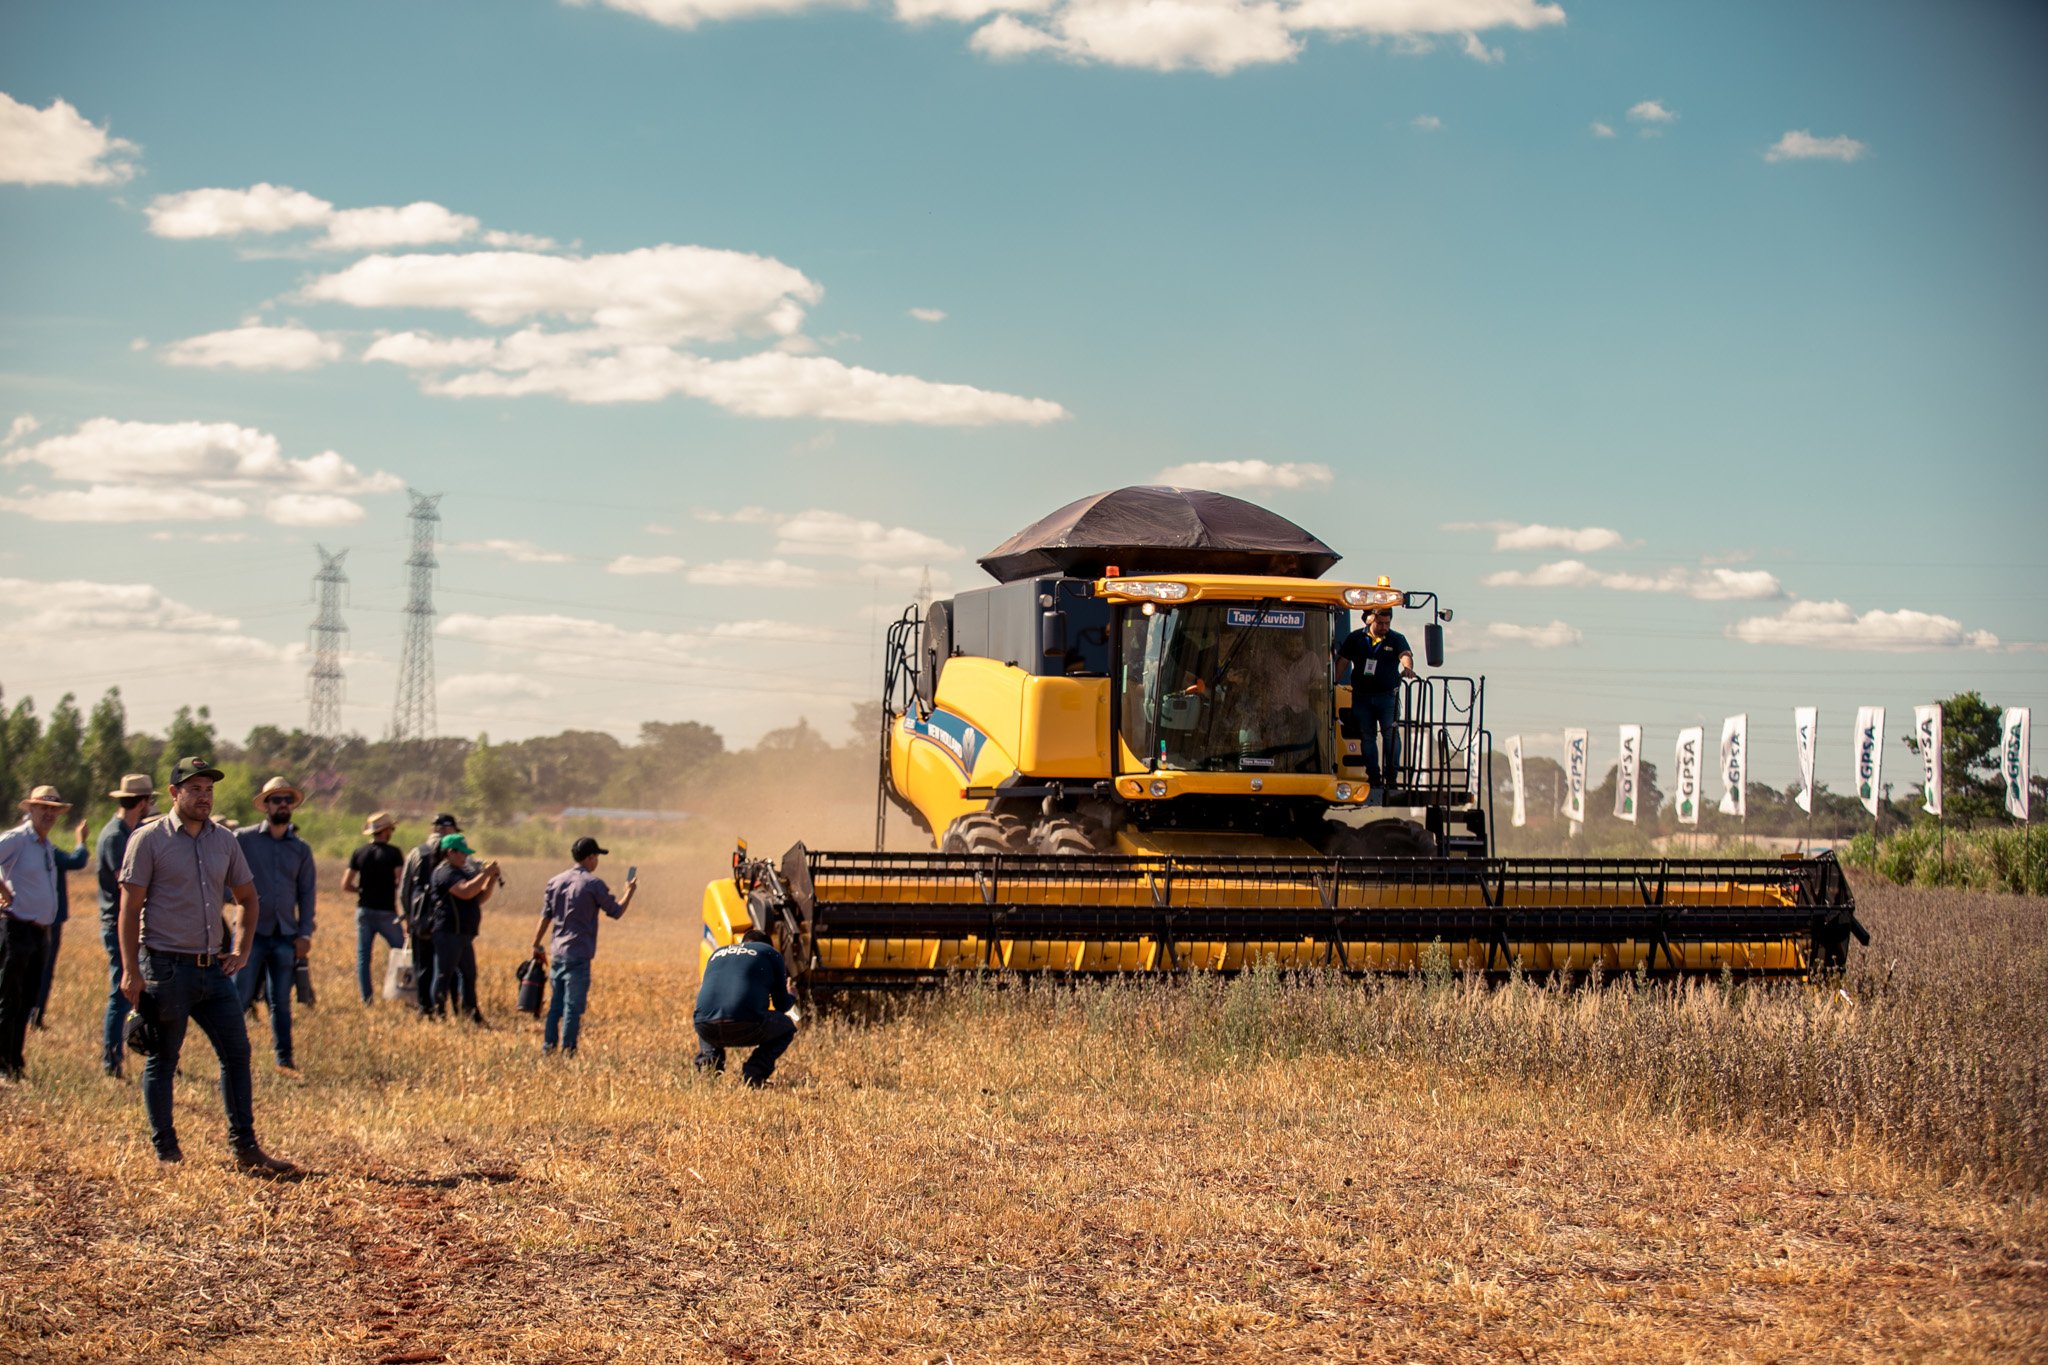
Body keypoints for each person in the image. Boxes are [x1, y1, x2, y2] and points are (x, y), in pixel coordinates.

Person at [118, 757, 294, 1172]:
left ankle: (246, 1148)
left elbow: (248, 898)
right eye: (194, 789)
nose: (203, 797)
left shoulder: (224, 841)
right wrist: (131, 970)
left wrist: (242, 949)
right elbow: (129, 910)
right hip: (165, 967)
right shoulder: (149, 840)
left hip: (212, 970)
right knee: (164, 1058)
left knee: (237, 1053)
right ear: (174, 793)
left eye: (209, 790)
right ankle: (167, 1152)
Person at [233, 777, 317, 1075]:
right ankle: (233, 1058)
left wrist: (305, 933)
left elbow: (307, 894)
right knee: (238, 998)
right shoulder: (243, 839)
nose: (283, 805)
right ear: (265, 805)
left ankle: (284, 1059)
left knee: (280, 1001)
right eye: (277, 800)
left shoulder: (301, 849)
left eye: (287, 800)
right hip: (250, 935)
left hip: (286, 935)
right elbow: (221, 875)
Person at [0, 786, 82, 1078]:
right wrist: (4, 892)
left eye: (53, 809)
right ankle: (2, 1064)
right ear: (30, 810)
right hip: (16, 928)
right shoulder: (18, 839)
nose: (48, 813)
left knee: (27, 1000)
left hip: (39, 933)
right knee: (9, 998)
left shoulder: (45, 845)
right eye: (42, 807)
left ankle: (15, 1061)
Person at [529, 836, 637, 1056]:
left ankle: (548, 1047)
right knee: (573, 1008)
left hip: (557, 952)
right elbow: (615, 912)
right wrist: (630, 891)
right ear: (590, 857)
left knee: (555, 1005)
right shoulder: (593, 885)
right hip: (579, 954)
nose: (597, 861)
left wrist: (536, 943)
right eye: (596, 856)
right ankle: (568, 1050)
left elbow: (545, 916)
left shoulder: (555, 881)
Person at [95, 774, 158, 1077]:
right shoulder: (114, 837)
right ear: (143, 802)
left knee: (131, 993)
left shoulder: (131, 831)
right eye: (150, 801)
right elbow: (128, 885)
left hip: (133, 924)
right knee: (121, 993)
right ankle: (111, 1061)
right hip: (117, 925)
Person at [693, 929, 799, 1087]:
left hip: (704, 1027)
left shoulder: (717, 953)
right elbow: (781, 1006)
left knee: (710, 1013)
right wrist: (792, 995)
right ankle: (754, 1073)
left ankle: (708, 1071)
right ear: (767, 944)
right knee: (787, 1027)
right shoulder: (771, 953)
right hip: (746, 1024)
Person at [1336, 607, 1417, 799]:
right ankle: (1373, 776)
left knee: (1391, 735)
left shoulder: (1396, 638)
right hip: (1361, 697)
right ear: (1369, 620)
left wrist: (1407, 668)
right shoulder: (1355, 638)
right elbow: (1343, 662)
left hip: (1387, 697)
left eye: (1387, 623)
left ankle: (1391, 776)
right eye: (1380, 623)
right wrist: (1333, 683)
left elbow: (1405, 654)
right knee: (1367, 736)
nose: (1384, 627)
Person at [28, 806, 92, 1032]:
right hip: (49, 920)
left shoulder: (40, 849)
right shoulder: (45, 850)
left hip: (34, 917)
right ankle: (34, 1015)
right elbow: (77, 860)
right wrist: (80, 840)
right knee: (43, 969)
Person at [426, 834, 500, 1024]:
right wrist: (485, 874)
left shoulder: (461, 871)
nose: (465, 858)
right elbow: (466, 892)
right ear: (450, 852)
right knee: (443, 974)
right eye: (462, 854)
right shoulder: (445, 872)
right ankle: (439, 1015)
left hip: (463, 935)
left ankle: (471, 1014)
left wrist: (491, 880)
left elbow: (478, 898)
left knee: (469, 976)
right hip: (448, 933)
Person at [399, 814, 460, 1017]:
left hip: (421, 920)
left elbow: (404, 889)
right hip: (448, 920)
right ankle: (450, 1008)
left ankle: (425, 1008)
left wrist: (407, 917)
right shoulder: (455, 853)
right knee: (448, 967)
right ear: (448, 830)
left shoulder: (416, 853)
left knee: (422, 966)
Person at [343, 812, 407, 1004]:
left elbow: (345, 884)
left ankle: (366, 998)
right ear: (385, 831)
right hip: (386, 911)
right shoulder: (394, 853)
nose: (392, 832)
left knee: (363, 957)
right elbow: (400, 882)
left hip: (364, 910)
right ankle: (404, 993)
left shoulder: (359, 852)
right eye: (391, 829)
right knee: (402, 953)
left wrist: (361, 890)